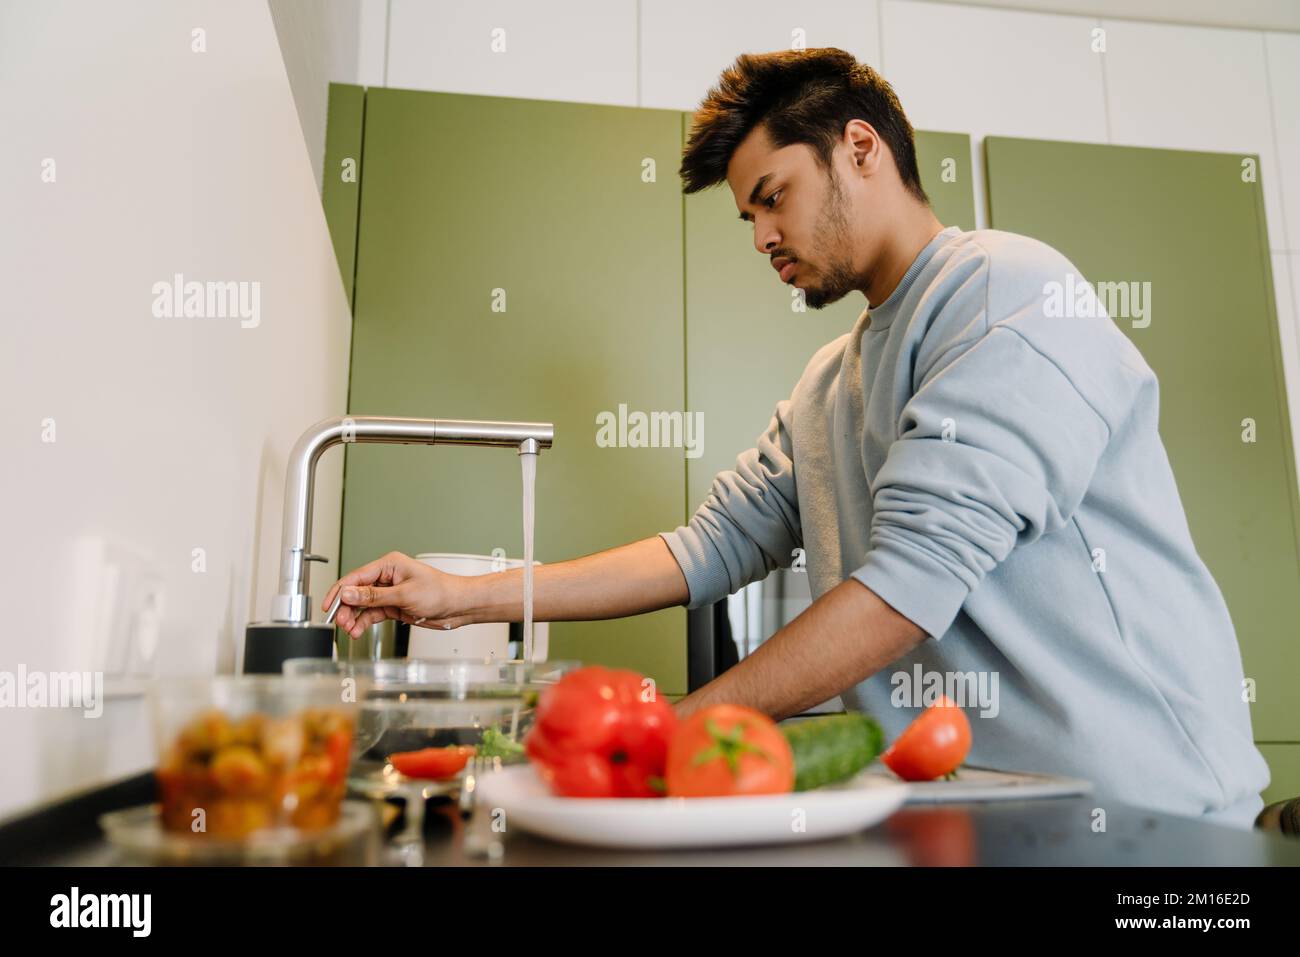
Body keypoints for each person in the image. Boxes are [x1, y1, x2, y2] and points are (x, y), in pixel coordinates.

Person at [322, 48, 1269, 829]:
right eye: (749, 216)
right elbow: (706, 548)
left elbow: (904, 588)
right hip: (974, 814)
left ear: (860, 147)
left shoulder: (1005, 293)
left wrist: (663, 736)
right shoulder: (828, 381)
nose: (761, 235)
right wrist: (463, 597)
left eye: (773, 195)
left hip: (1145, 819)